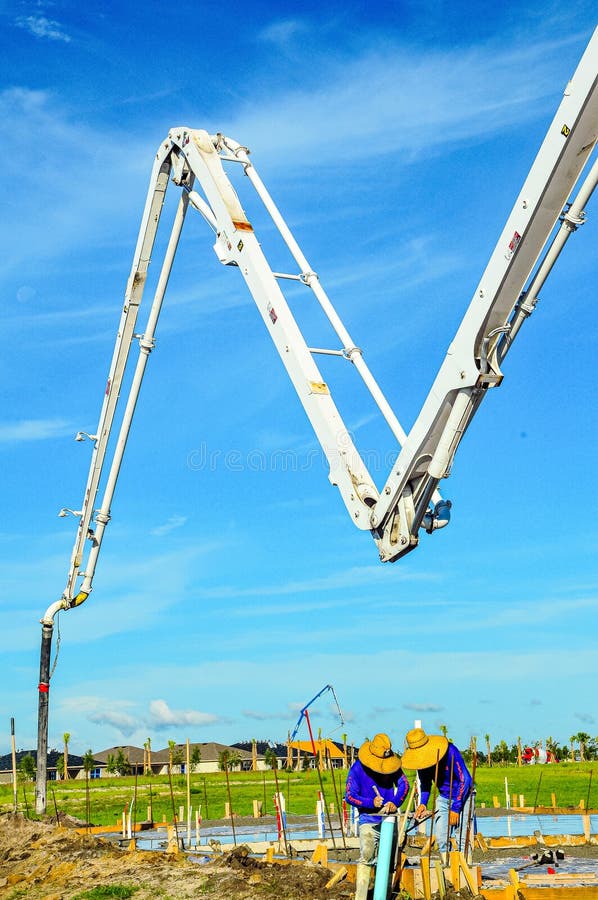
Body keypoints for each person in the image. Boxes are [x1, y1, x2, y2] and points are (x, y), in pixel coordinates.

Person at [345, 733, 409, 900]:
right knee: (366, 858)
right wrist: (370, 802)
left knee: (388, 862)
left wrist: (395, 802)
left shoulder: (392, 765)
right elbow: (350, 796)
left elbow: (404, 784)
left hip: (389, 819)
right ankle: (361, 896)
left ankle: (385, 896)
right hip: (369, 821)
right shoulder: (357, 769)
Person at [401, 727, 474, 860]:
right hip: (444, 797)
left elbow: (466, 779)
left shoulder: (450, 751)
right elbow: (425, 784)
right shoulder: (421, 761)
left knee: (463, 837)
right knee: (441, 837)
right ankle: (448, 868)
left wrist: (456, 808)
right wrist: (423, 803)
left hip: (463, 795)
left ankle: (466, 868)